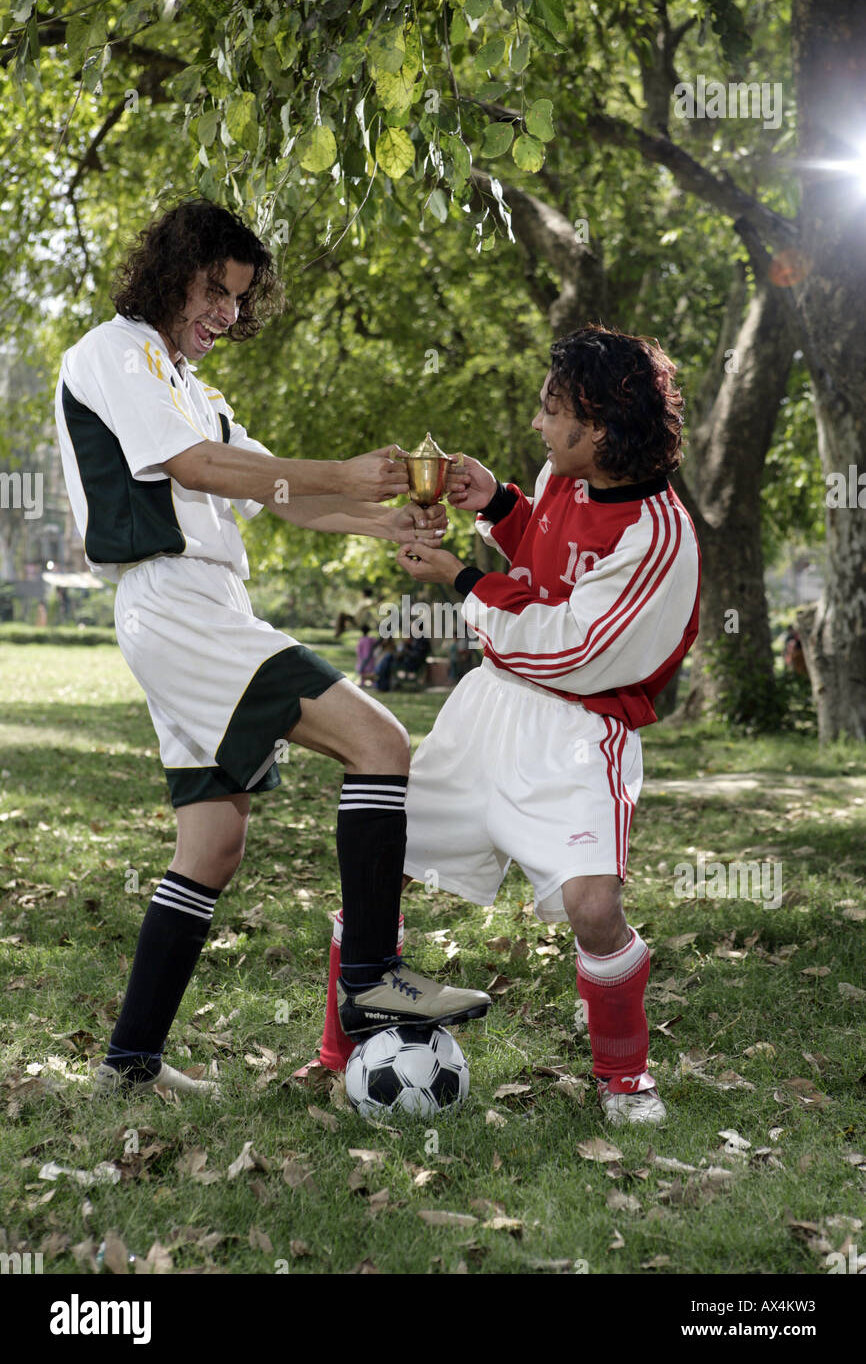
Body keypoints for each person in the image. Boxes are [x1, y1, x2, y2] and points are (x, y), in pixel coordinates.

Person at [53, 198, 490, 1099]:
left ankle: (130, 1065)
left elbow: (282, 494)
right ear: (170, 272)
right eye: (214, 290)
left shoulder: (199, 391)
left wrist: (387, 517)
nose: (226, 313)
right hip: (177, 605)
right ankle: (373, 975)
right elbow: (195, 468)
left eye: (239, 299)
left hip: (203, 604)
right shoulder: (114, 350)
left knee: (211, 843)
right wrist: (343, 472)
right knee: (380, 742)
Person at [309, 325, 700, 1127]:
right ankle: (338, 1051)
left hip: (578, 733)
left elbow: (576, 647)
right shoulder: (570, 477)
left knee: (593, 909)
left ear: (597, 426)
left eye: (551, 411)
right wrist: (498, 503)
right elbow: (548, 560)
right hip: (489, 709)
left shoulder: (660, 537)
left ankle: (625, 1080)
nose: (537, 425)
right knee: (383, 863)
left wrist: (462, 580)